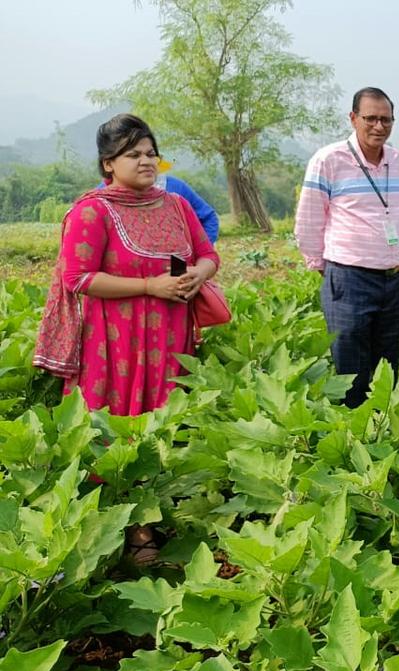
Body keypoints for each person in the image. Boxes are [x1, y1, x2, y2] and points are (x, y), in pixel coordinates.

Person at [34, 113, 220, 564]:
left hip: (170, 338)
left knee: (165, 421)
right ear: (108, 164)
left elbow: (207, 253)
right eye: (133, 154)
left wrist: (198, 275)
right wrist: (150, 286)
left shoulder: (176, 206)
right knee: (118, 426)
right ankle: (131, 528)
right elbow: (79, 278)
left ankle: (161, 510)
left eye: (151, 153)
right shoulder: (93, 211)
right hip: (115, 343)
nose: (146, 161)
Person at [295, 87, 399, 408]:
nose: (378, 126)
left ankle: (383, 424)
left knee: (387, 362)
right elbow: (309, 220)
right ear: (353, 118)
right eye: (370, 118)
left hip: (391, 278)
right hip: (349, 276)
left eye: (386, 119)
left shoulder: (397, 161)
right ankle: (352, 426)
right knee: (351, 365)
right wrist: (324, 268)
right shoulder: (329, 160)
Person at [95, 170, 221, 243]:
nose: (143, 161)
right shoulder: (100, 197)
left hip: (176, 269)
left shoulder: (174, 187)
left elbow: (209, 217)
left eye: (149, 154)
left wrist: (201, 256)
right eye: (132, 155)